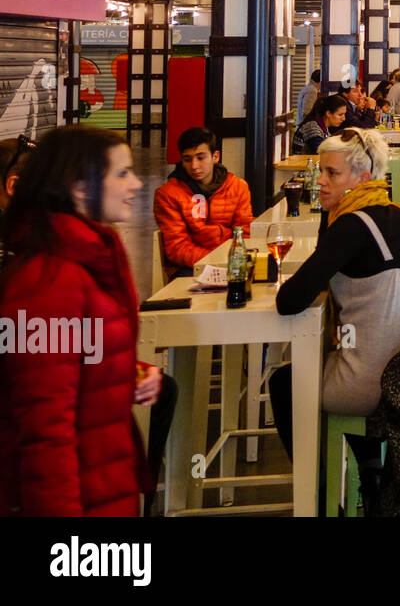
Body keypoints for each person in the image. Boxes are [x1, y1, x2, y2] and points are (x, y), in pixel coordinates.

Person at [0, 126, 166, 515]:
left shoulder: (83, 260)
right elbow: (46, 431)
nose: (137, 183)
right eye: (122, 173)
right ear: (78, 186)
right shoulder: (47, 282)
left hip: (103, 484)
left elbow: (70, 365)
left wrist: (129, 371)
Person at [270, 128, 400, 506]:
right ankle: (371, 474)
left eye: (331, 174)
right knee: (355, 354)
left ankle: (321, 492)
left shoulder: (351, 226)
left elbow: (290, 301)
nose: (320, 182)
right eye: (320, 171)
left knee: (283, 382)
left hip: (373, 385)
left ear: (362, 177)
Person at [153, 127, 254, 280]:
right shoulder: (168, 194)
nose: (194, 166)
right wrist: (217, 261)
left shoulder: (237, 187)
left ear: (215, 156)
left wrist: (230, 260)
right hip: (189, 267)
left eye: (200, 158)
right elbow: (177, 248)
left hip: (230, 262)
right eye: (187, 159)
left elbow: (245, 233)